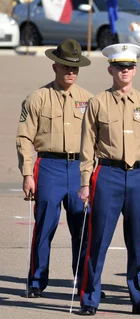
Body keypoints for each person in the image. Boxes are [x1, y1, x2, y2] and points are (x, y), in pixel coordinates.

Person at [77, 43, 140, 316]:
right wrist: (84, 181)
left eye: (129, 67)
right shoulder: (98, 102)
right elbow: (87, 145)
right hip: (107, 175)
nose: (124, 71)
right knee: (98, 239)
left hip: (138, 176)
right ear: (110, 69)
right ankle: (90, 298)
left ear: (135, 70)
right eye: (119, 67)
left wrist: (139, 153)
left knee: (138, 241)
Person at [16, 39, 92, 298]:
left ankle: (84, 282)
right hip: (49, 166)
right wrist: (27, 173)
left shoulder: (89, 100)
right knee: (45, 226)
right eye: (66, 67)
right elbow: (25, 137)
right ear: (55, 67)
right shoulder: (37, 98)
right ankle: (37, 281)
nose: (71, 72)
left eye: (75, 68)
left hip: (80, 168)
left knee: (82, 229)